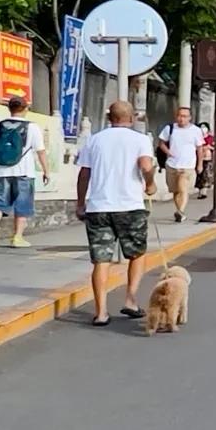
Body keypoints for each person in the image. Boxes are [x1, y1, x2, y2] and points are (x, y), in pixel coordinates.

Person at [76, 100, 156, 327]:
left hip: (99, 207)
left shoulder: (94, 140)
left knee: (101, 260)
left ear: (109, 118)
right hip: (130, 206)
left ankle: (101, 312)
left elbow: (84, 174)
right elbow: (145, 166)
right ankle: (130, 300)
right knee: (137, 254)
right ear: (131, 118)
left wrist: (81, 203)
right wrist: (150, 185)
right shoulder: (140, 140)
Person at [0, 97, 51, 248]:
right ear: (25, 109)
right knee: (23, 204)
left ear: (9, 108)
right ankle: (17, 237)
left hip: (0, 171)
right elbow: (41, 151)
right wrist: (46, 171)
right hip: (24, 172)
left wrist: (5, 157)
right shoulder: (32, 127)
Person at [157, 107, 202, 222]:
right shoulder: (170, 128)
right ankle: (180, 213)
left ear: (190, 118)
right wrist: (168, 152)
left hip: (187, 165)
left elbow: (199, 148)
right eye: (179, 116)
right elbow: (161, 143)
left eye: (184, 116)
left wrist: (199, 164)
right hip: (172, 164)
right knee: (176, 191)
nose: (181, 119)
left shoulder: (196, 130)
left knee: (183, 188)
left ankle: (180, 210)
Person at [194, 122, 215, 200]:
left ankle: (204, 192)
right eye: (201, 127)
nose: (203, 129)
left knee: (206, 175)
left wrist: (208, 147)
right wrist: (204, 147)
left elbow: (214, 147)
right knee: (200, 175)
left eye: (204, 127)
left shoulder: (210, 138)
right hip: (199, 158)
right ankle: (200, 192)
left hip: (208, 158)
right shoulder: (197, 138)